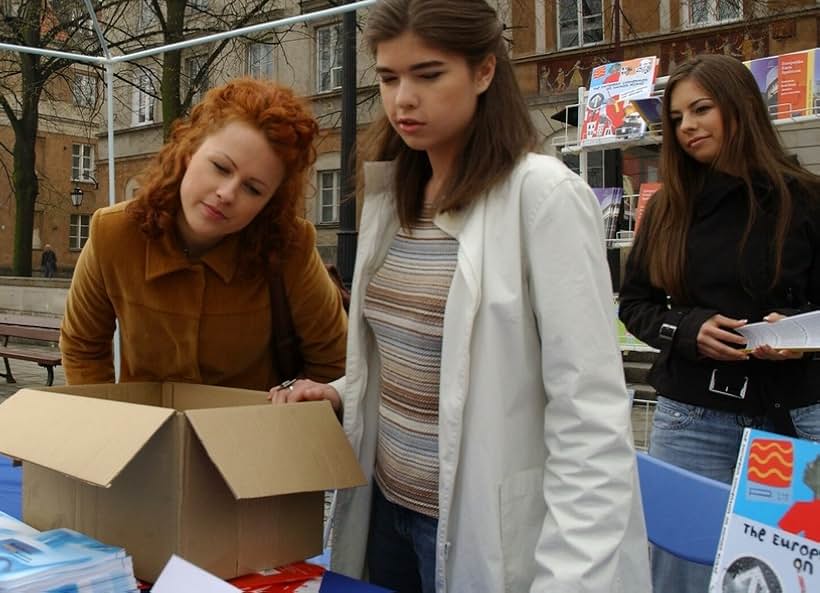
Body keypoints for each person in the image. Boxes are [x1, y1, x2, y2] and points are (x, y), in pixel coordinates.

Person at [272, 1, 650, 591]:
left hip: (477, 526)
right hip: (384, 512)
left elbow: (590, 414)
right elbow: (438, 360)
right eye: (388, 78)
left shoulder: (543, 197)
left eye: (428, 75)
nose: (402, 100)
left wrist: (572, 576)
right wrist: (347, 391)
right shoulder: (393, 194)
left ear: (483, 72)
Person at [619, 53, 820, 593]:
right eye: (677, 117)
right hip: (692, 419)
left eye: (701, 110)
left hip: (789, 416)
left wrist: (798, 333)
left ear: (740, 108)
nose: (687, 127)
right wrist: (688, 331)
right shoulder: (667, 209)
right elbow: (635, 303)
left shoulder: (804, 198)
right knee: (681, 572)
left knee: (779, 576)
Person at [60, 79, 347, 397]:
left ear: (269, 204)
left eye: (253, 188)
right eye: (221, 167)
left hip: (250, 438)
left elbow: (334, 364)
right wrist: (105, 421)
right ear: (188, 152)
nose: (227, 194)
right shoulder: (112, 233)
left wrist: (291, 415)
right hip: (141, 435)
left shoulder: (290, 247)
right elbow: (82, 345)